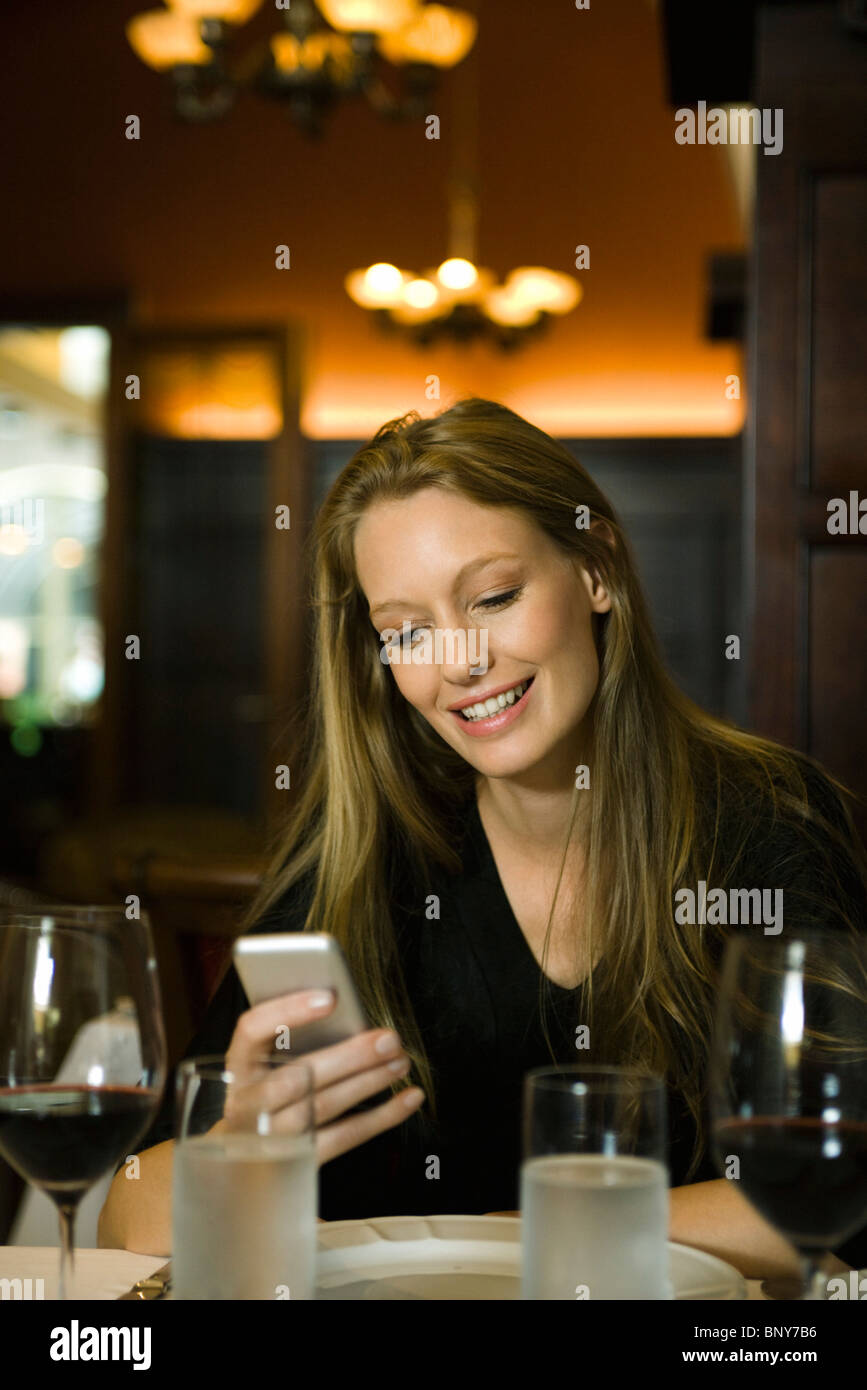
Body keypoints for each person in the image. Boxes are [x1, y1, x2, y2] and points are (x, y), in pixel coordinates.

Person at [99, 397, 867, 1281]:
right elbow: (127, 1211)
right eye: (408, 631)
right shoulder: (355, 864)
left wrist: (474, 1244)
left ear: (596, 570)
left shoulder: (768, 818)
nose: (459, 661)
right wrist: (233, 1151)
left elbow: (821, 1187)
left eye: (494, 597)